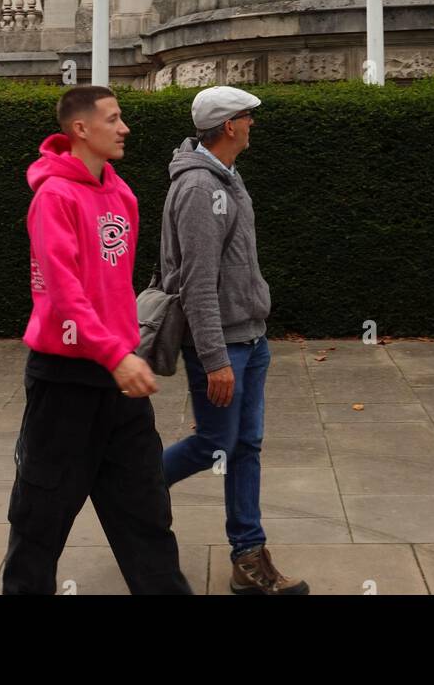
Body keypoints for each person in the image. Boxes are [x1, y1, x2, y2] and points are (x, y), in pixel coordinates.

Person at [2, 85, 192, 596]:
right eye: (113, 118)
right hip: (64, 381)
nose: (124, 127)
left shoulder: (123, 194)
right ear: (81, 129)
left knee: (146, 514)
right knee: (39, 520)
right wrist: (114, 355)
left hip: (120, 379)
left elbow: (113, 289)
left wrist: (125, 349)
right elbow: (64, 294)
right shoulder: (53, 198)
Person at [160, 86, 309, 597]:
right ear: (228, 126)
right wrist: (215, 359)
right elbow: (197, 283)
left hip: (250, 339)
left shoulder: (226, 177)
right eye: (248, 118)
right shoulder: (202, 189)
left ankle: (248, 557)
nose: (252, 125)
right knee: (213, 444)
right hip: (224, 346)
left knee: (244, 447)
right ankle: (133, 486)